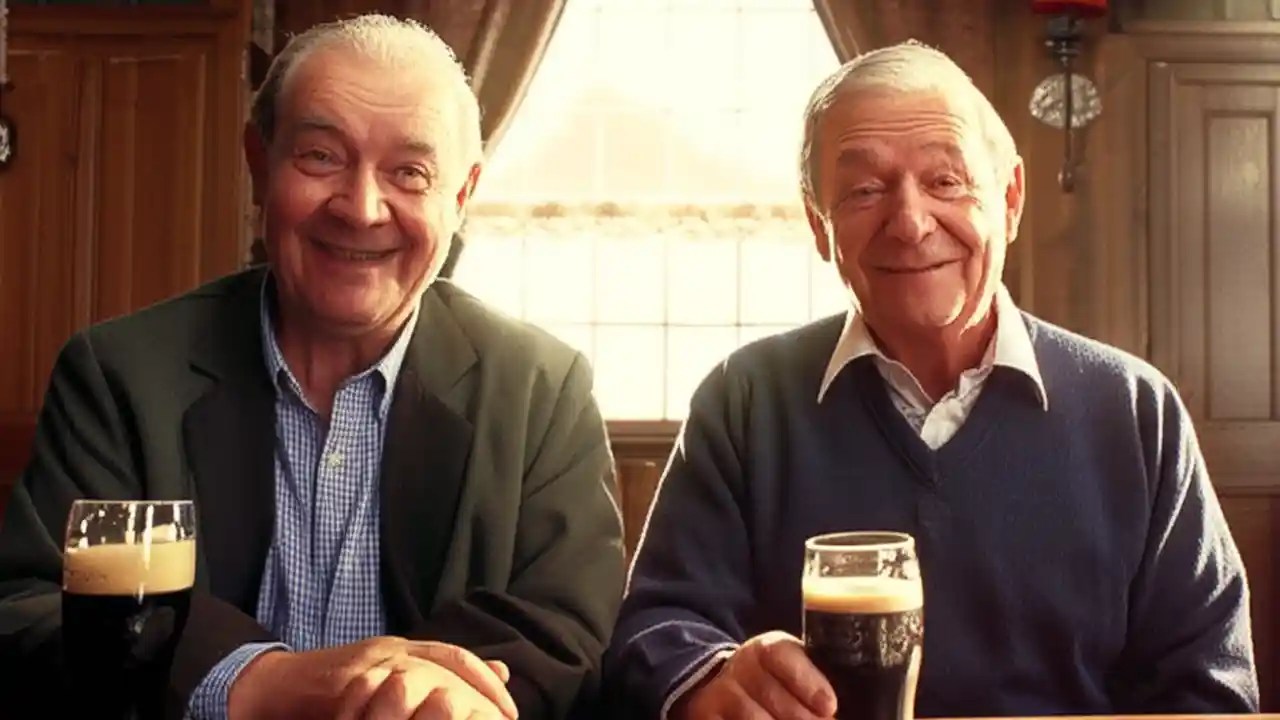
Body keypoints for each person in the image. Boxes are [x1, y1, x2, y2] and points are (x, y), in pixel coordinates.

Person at [603, 41, 1259, 719]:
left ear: (1009, 199)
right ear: (817, 224)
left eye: (946, 181)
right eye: (864, 190)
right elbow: (655, 632)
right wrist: (712, 677)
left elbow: (1209, 686)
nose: (910, 223)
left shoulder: (1133, 410)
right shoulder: (745, 400)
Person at [0, 14, 625, 720]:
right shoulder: (120, 375)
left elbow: (567, 628)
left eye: (409, 173)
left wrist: (409, 699)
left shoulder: (543, 389)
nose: (361, 209)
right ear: (257, 162)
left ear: (461, 196)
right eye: (321, 157)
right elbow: (30, 608)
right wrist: (256, 681)